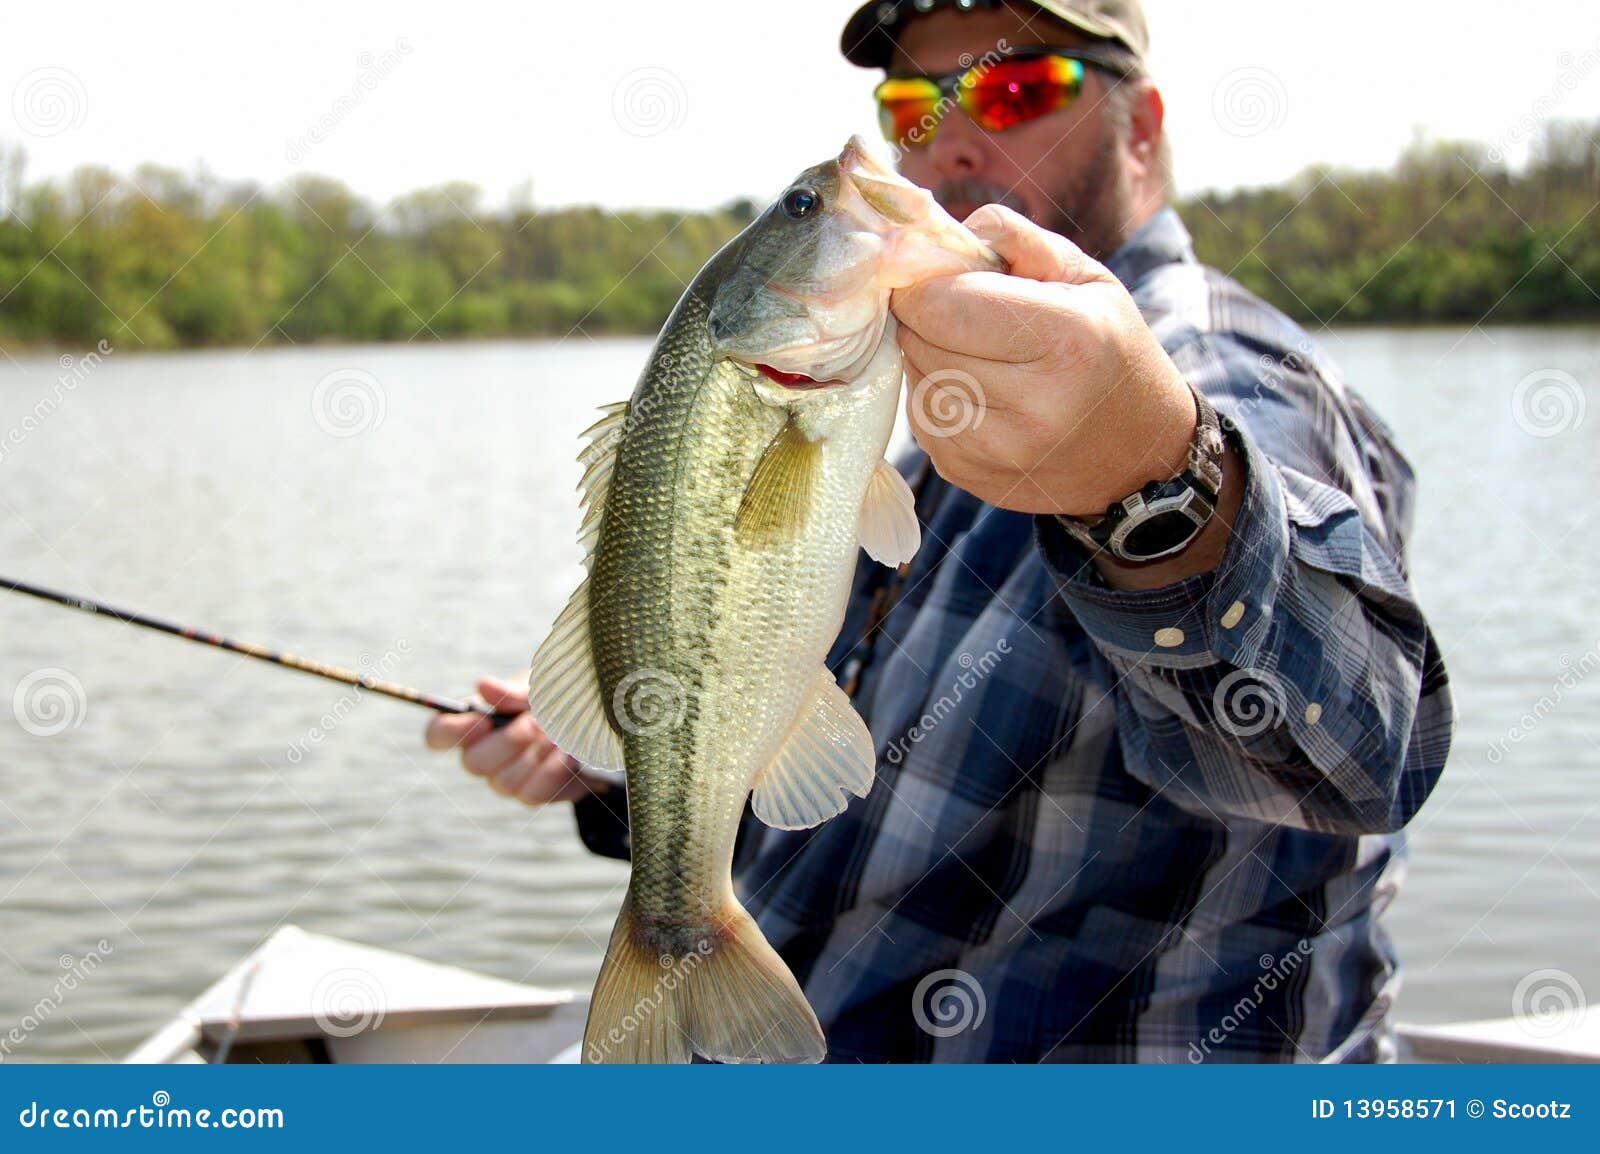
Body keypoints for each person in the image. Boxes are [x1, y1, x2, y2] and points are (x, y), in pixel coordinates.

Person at [426, 0, 1454, 1062]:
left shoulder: (1220, 379)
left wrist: (1153, 481)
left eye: (1017, 91)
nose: (950, 139)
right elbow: (812, 748)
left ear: (1140, 128)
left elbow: (1363, 757)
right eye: (914, 104)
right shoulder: (927, 403)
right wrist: (634, 756)